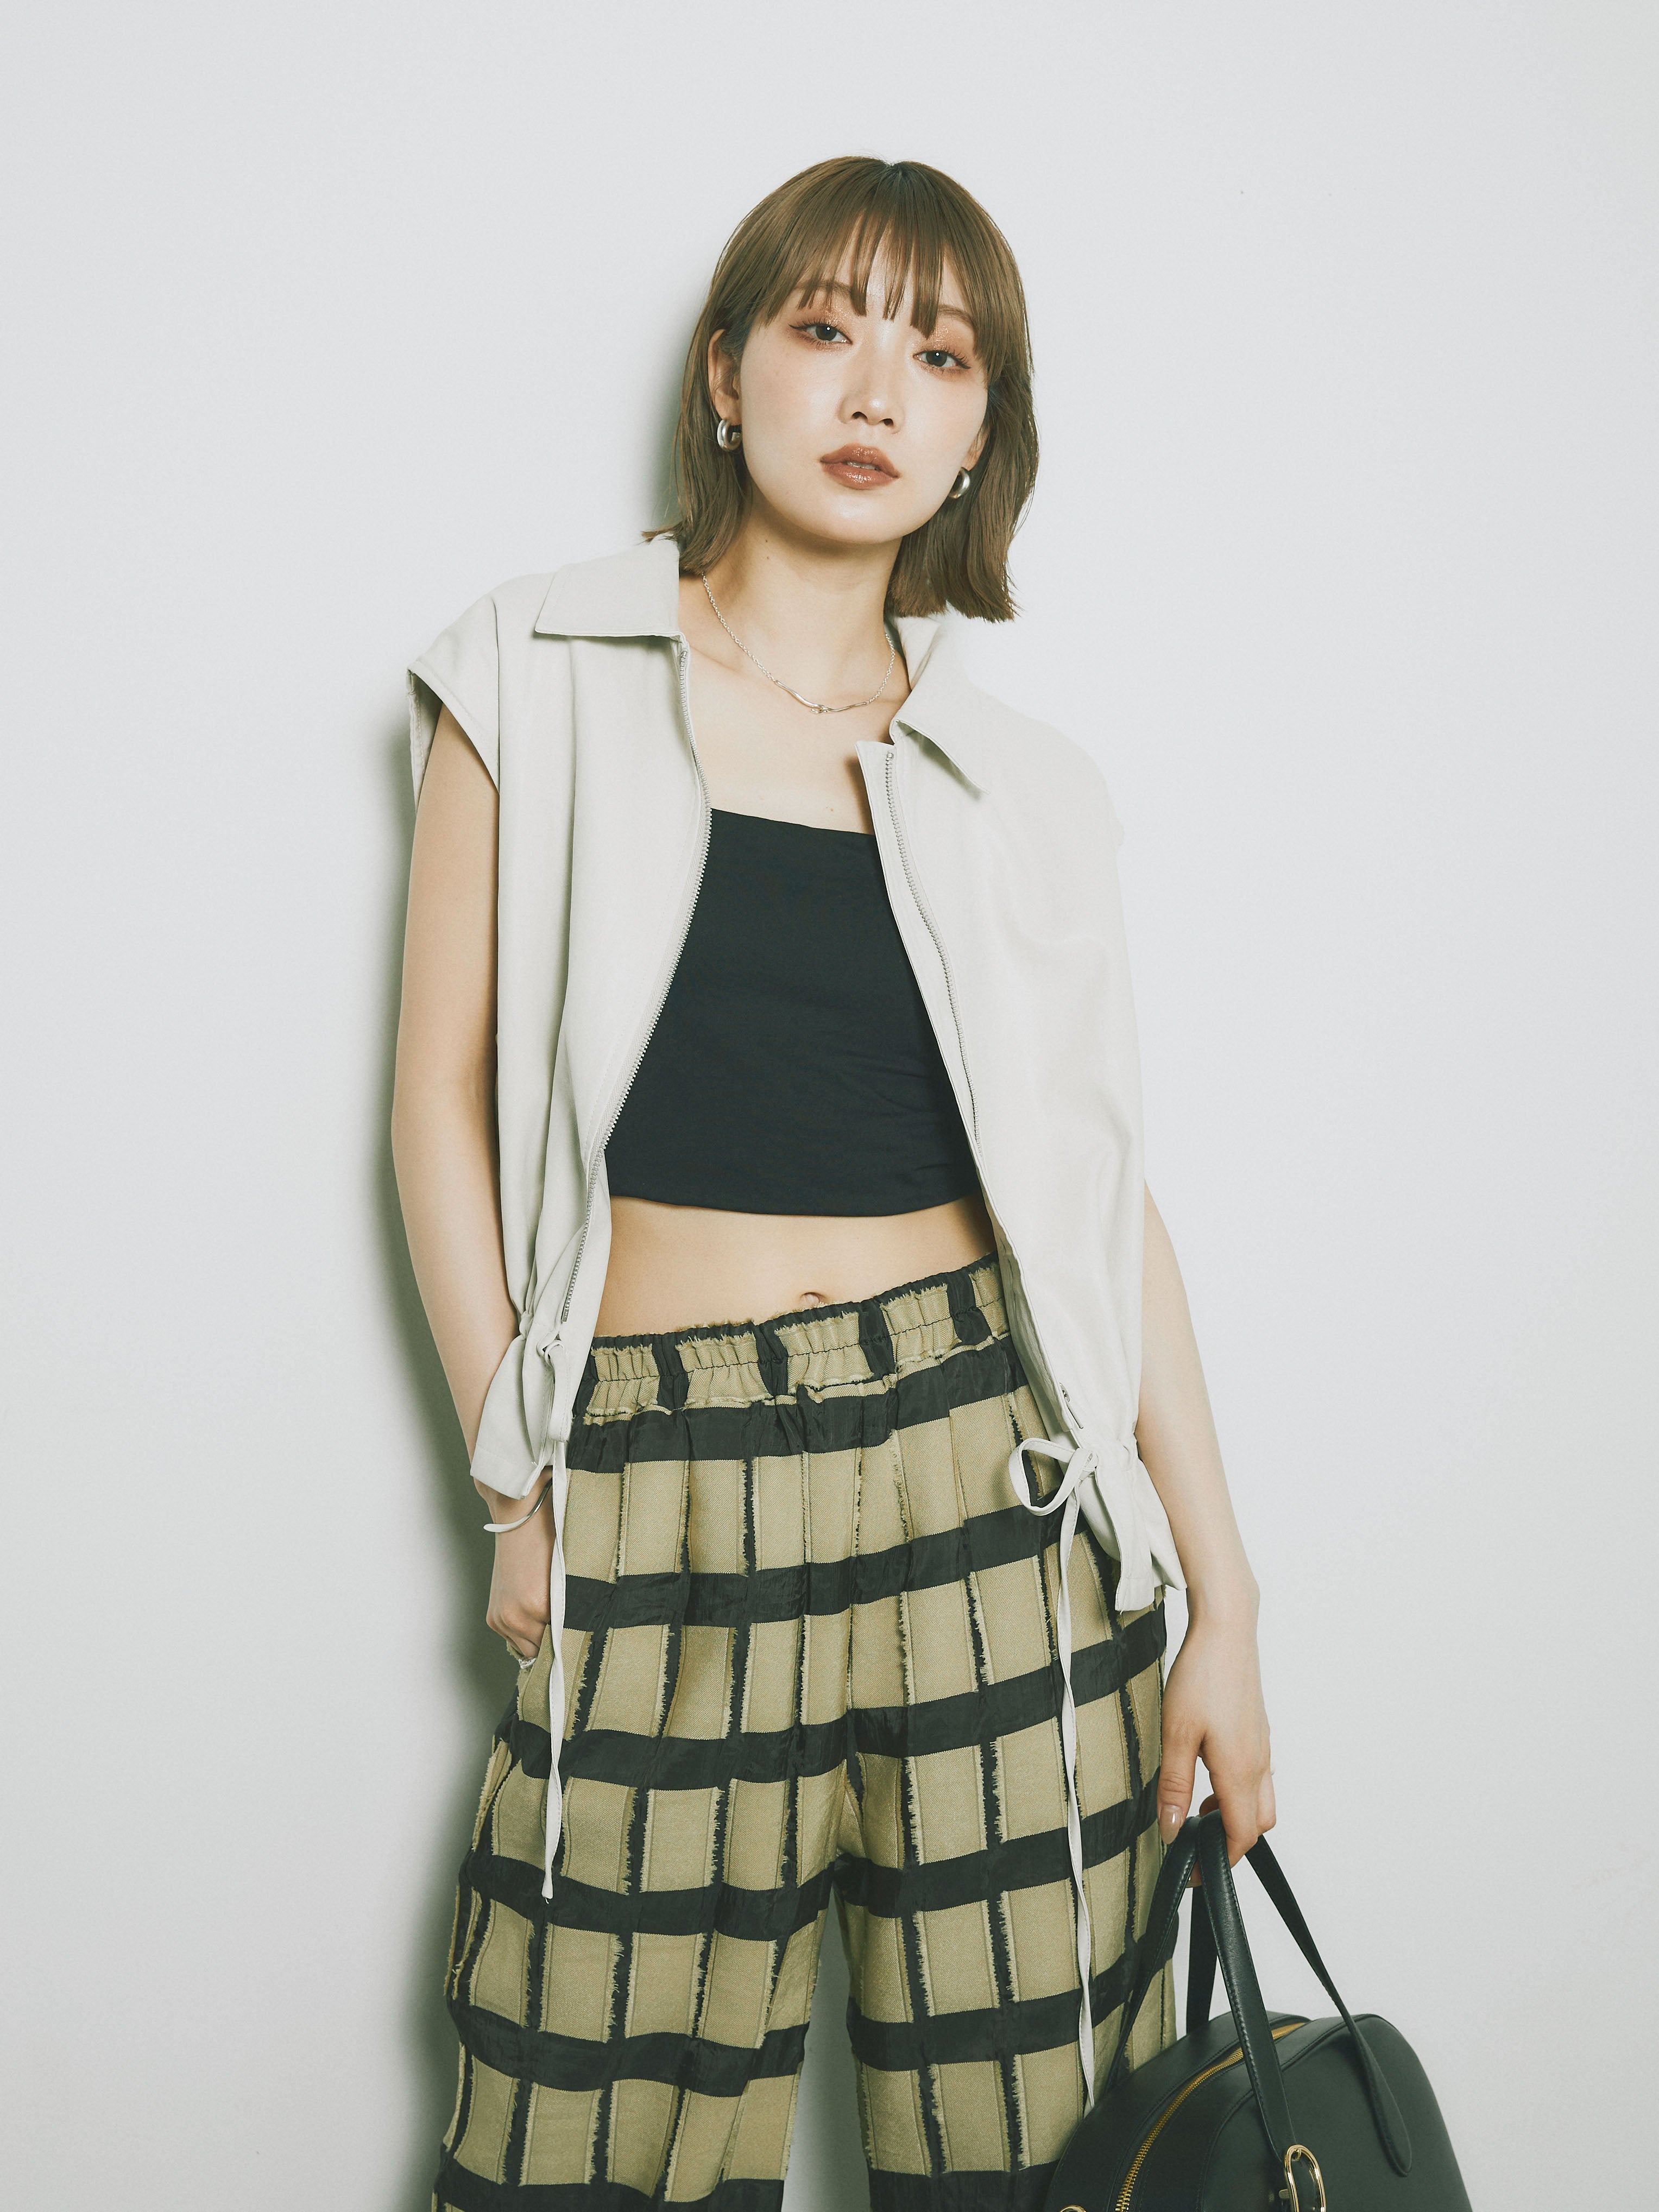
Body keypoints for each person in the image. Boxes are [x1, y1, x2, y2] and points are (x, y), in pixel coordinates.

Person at [393, 153, 1273, 2212]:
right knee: (584, 2134)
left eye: (941, 354)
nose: (879, 387)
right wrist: (515, 1478)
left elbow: (1100, 1203)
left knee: (1029, 2151)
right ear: (726, 374)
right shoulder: (535, 667)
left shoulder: (1025, 787)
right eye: (826, 327)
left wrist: (1228, 1605)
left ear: (980, 432)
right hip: (660, 1471)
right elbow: (433, 1102)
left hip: (994, 1487)